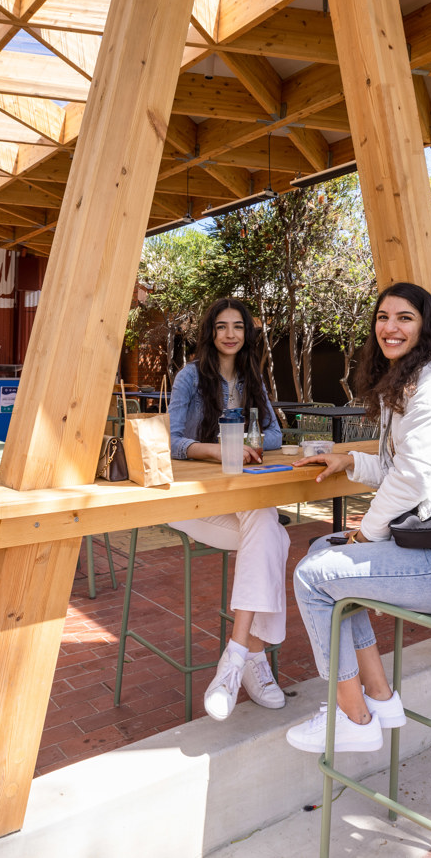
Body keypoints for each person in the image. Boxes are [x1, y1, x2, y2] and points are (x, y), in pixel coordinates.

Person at [286, 282, 431, 754]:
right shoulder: (414, 381)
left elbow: (410, 480)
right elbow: (400, 469)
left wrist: (365, 535)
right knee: (320, 551)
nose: (390, 327)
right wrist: (350, 462)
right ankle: (381, 699)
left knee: (312, 577)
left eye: (405, 317)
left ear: (425, 325)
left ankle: (350, 716)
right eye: (383, 317)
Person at [167, 297, 290, 721]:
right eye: (222, 326)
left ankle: (235, 660)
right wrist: (214, 451)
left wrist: (249, 442)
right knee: (275, 534)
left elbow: (274, 433)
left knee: (265, 522)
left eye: (238, 326)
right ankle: (253, 659)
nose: (230, 334)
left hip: (240, 505)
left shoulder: (252, 377)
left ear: (247, 333)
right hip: (192, 504)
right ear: (210, 332)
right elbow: (167, 442)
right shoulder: (188, 378)